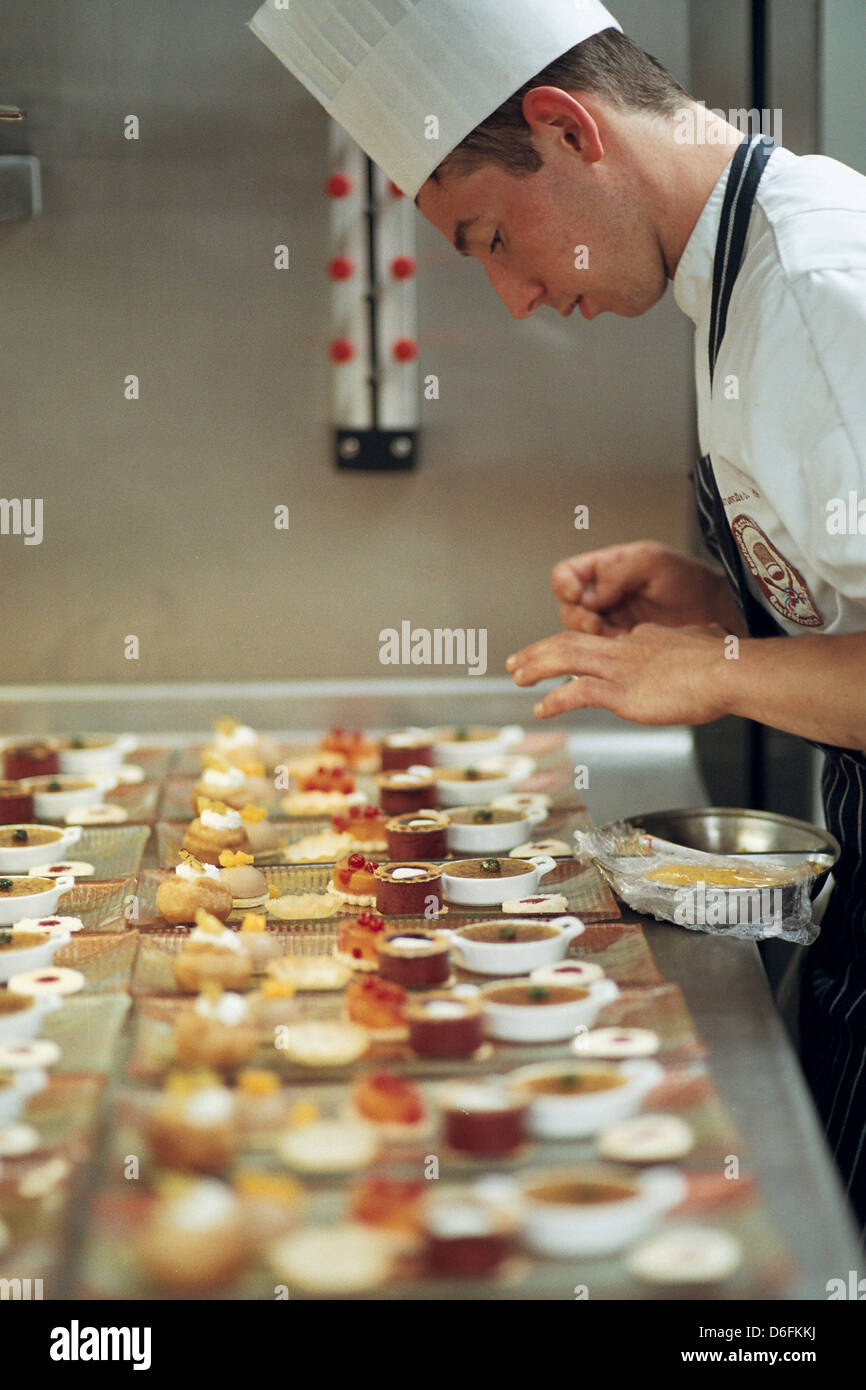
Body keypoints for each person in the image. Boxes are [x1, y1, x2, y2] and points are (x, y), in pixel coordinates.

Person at [250, 2, 866, 1228]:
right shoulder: (742, 270)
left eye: (488, 238)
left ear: (565, 128)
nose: (515, 297)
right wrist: (727, 597)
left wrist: (726, 669)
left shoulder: (815, 286)